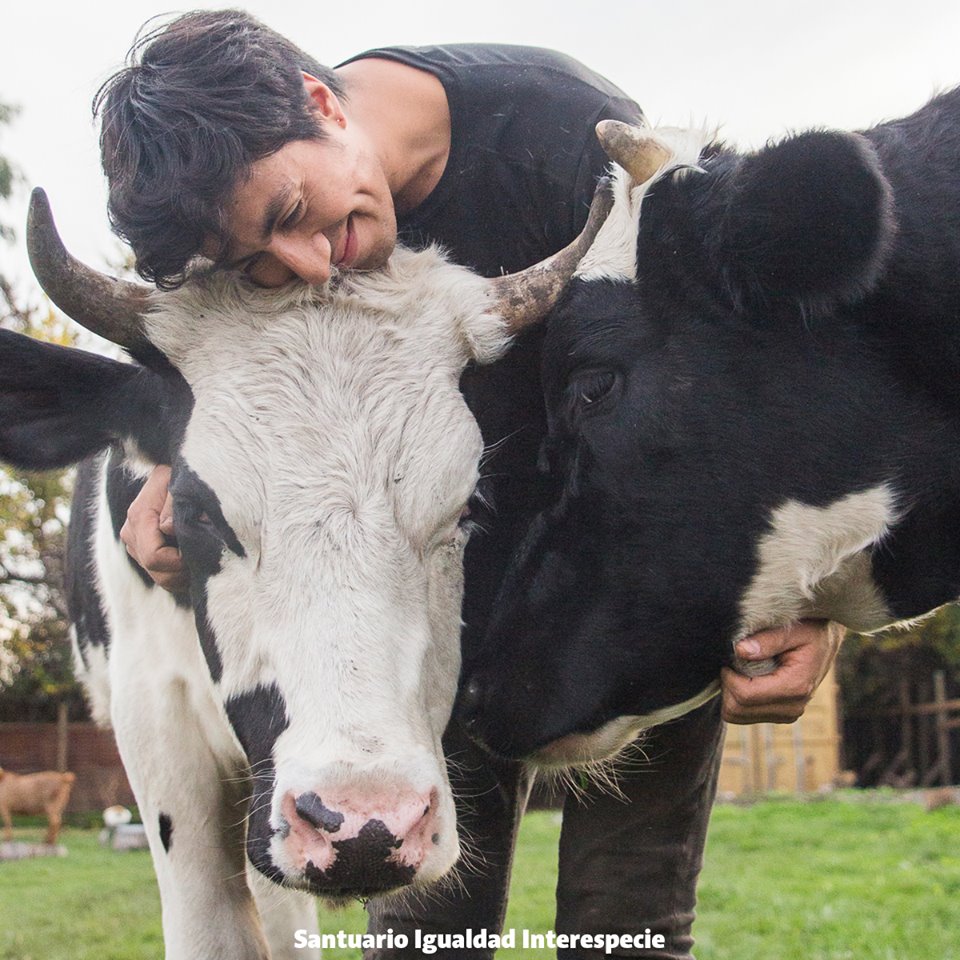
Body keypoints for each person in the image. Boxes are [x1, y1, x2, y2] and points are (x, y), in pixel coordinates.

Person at [98, 10, 842, 958]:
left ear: (321, 103)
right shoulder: (237, 223)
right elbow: (227, 383)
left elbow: (738, 377)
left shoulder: (567, 135)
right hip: (426, 624)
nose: (307, 264)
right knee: (423, 942)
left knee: (629, 929)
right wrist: (171, 485)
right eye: (257, 265)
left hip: (636, 592)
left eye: (292, 216)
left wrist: (803, 596)